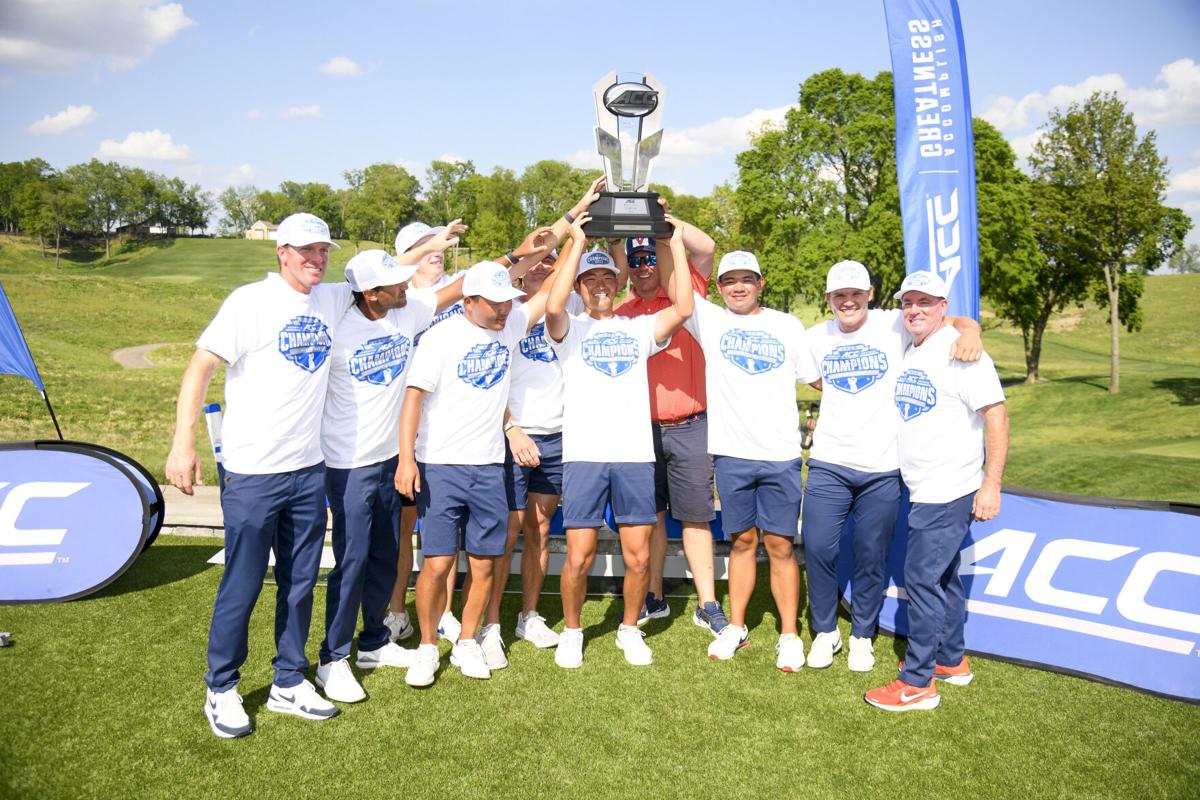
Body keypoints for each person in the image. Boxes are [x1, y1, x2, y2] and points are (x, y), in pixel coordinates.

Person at [166, 212, 347, 739]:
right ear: (282, 252)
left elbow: (401, 273)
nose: (317, 259)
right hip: (252, 472)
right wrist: (183, 444)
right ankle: (221, 687)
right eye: (307, 250)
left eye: (323, 251)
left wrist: (442, 243)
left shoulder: (330, 299)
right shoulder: (250, 301)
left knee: (299, 583)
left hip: (307, 470)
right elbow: (199, 368)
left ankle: (289, 680)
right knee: (242, 583)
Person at [802, 260, 981, 672]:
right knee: (818, 548)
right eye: (839, 295)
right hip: (830, 461)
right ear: (829, 300)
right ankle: (826, 631)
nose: (848, 301)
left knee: (870, 554)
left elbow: (952, 319)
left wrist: (971, 331)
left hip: (883, 467)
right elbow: (817, 381)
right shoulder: (815, 337)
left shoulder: (892, 323)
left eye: (855, 294)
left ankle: (862, 635)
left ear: (869, 295)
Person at [315, 227, 467, 703]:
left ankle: (373, 641)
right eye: (396, 284)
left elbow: (455, 290)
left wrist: (516, 255)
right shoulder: (336, 326)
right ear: (370, 294)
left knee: (385, 554)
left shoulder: (405, 312)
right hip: (348, 464)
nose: (408, 287)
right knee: (353, 558)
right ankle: (331, 658)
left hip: (390, 461)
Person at [394, 251, 555, 687]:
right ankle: (428, 646)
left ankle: (467, 640)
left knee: (485, 563)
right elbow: (412, 399)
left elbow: (549, 296)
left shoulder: (510, 326)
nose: (505, 309)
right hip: (441, 467)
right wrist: (407, 458)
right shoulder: (440, 339)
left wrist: (575, 228)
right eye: (495, 302)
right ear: (468, 301)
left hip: (489, 468)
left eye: (508, 301)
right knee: (438, 563)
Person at [546, 213, 692, 669]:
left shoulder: (637, 329)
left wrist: (677, 243)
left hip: (633, 457)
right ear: (580, 286)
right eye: (590, 280)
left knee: (638, 557)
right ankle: (573, 631)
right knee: (579, 555)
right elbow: (552, 306)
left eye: (606, 277)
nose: (599, 286)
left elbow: (684, 307)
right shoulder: (568, 329)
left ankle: (629, 628)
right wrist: (576, 242)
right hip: (585, 457)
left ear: (617, 281)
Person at [864, 270, 1008, 712]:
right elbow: (958, 321)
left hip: (950, 487)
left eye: (926, 302)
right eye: (909, 302)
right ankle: (951, 659)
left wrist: (992, 484)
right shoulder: (915, 343)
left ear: (942, 307)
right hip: (922, 486)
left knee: (922, 580)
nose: (915, 309)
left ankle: (917, 682)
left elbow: (997, 416)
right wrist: (971, 324)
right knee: (943, 577)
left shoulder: (963, 354)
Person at [685, 251, 819, 671]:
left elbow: (817, 380)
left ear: (761, 283)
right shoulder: (710, 320)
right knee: (742, 541)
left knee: (780, 545)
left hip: (779, 454)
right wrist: (667, 228)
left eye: (746, 279)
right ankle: (736, 626)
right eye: (729, 281)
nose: (738, 286)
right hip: (732, 453)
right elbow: (677, 282)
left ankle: (789, 634)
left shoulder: (787, 325)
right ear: (719, 287)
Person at [612, 220, 728, 639]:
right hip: (639, 429)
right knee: (651, 517)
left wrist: (660, 220)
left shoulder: (684, 292)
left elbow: (707, 245)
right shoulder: (619, 314)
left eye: (650, 257)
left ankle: (707, 604)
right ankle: (654, 597)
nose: (644, 267)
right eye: (635, 259)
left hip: (690, 424)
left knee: (697, 518)